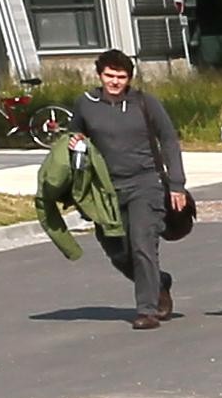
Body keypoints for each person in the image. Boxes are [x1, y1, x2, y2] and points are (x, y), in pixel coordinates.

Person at [66, 51, 187, 330]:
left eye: (121, 77)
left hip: (146, 183)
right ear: (100, 75)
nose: (115, 81)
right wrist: (75, 145)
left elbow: (169, 139)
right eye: (110, 75)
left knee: (142, 244)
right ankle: (159, 281)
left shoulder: (145, 103)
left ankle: (147, 310)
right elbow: (73, 137)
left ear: (129, 78)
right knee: (117, 250)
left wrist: (177, 183)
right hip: (106, 189)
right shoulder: (86, 104)